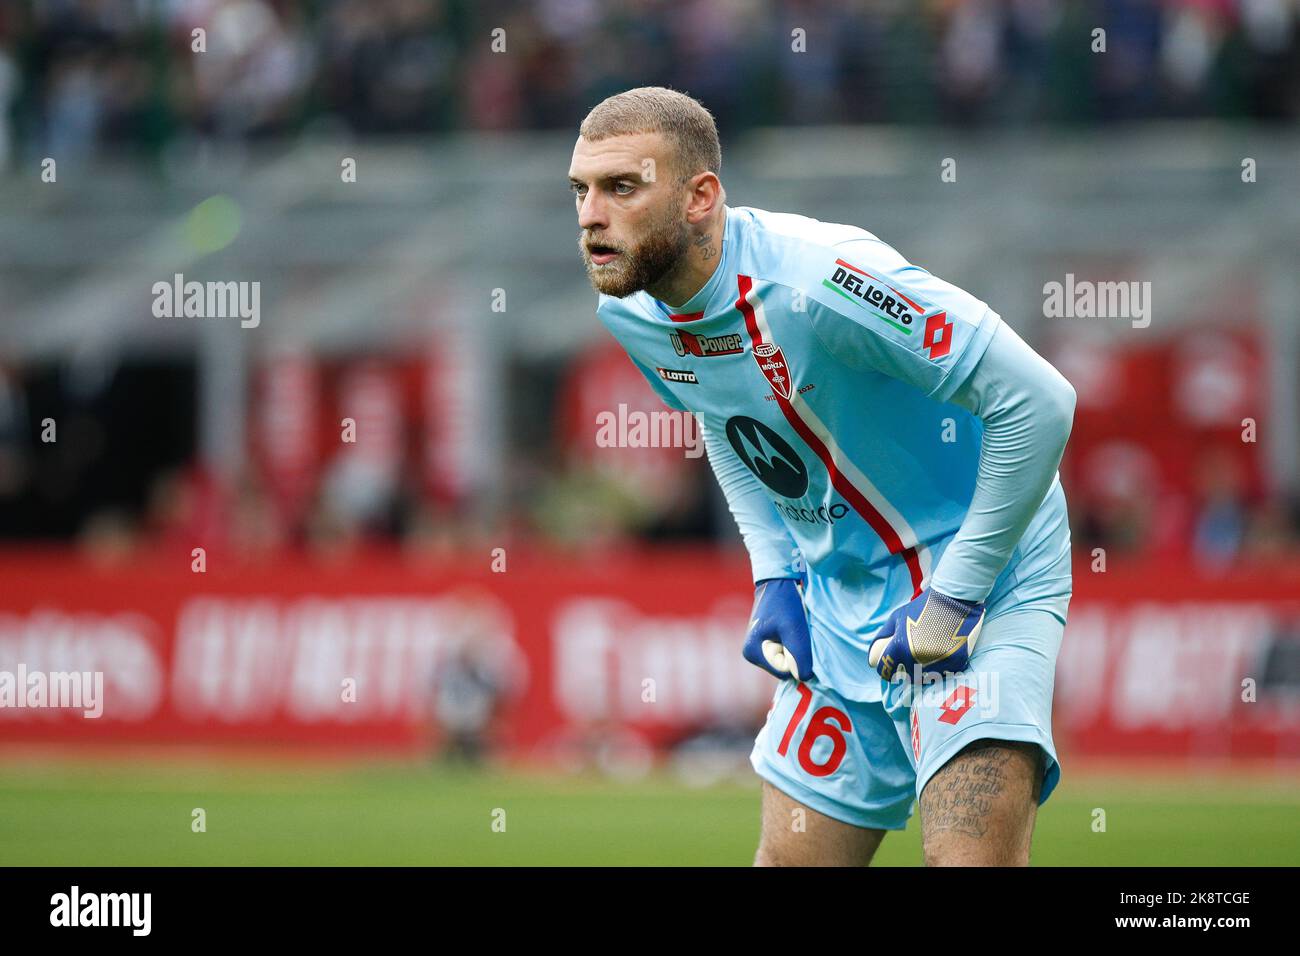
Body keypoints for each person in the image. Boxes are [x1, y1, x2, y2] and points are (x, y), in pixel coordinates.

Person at [568, 86, 1076, 866]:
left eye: (621, 187)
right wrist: (773, 574)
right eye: (581, 190)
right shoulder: (630, 308)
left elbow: (1040, 402)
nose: (591, 214)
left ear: (701, 197)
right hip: (840, 602)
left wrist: (957, 596)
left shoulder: (822, 280)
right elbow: (723, 414)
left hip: (984, 584)